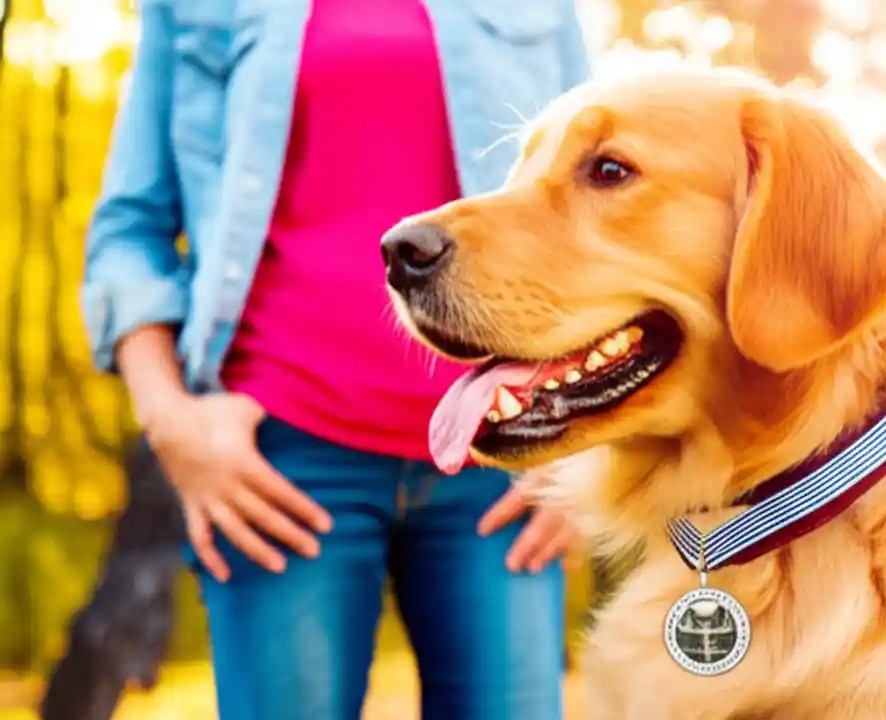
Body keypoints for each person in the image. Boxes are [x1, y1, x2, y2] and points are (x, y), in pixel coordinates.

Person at [79, 1, 591, 718]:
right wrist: (172, 422)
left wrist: (584, 440)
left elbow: (592, 215)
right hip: (279, 463)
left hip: (501, 463)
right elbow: (129, 230)